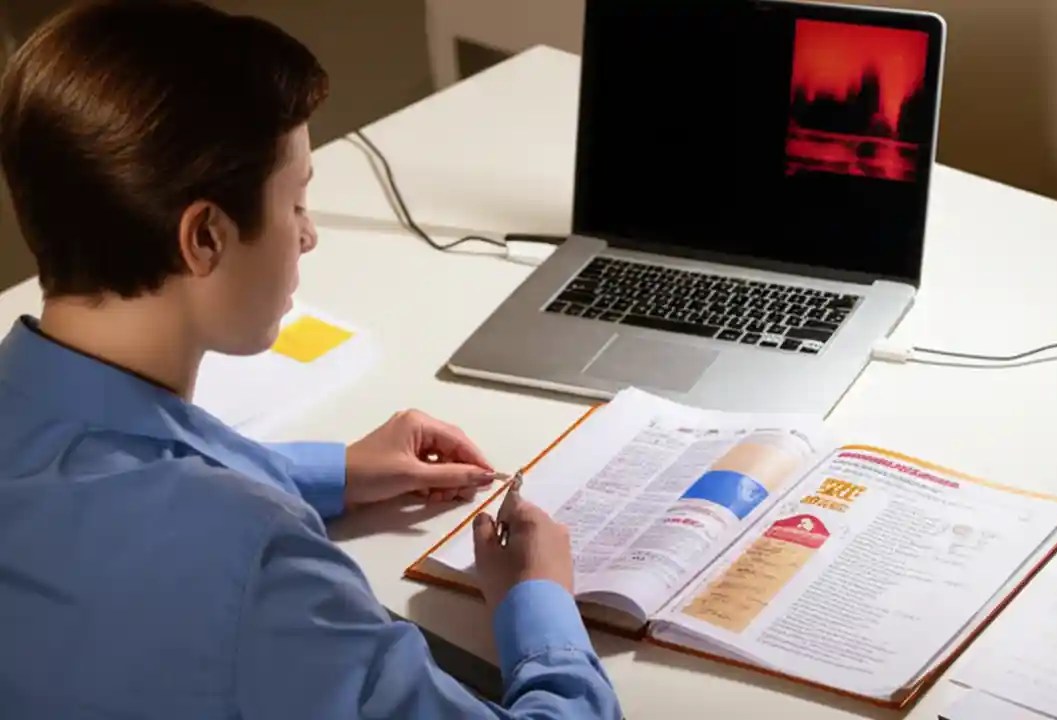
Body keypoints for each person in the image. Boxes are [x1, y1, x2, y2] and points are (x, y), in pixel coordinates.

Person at [0, 1, 622, 718]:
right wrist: (537, 603)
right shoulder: (260, 567)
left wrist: (337, 472)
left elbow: (123, 469)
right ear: (204, 238)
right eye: (296, 201)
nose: (308, 236)